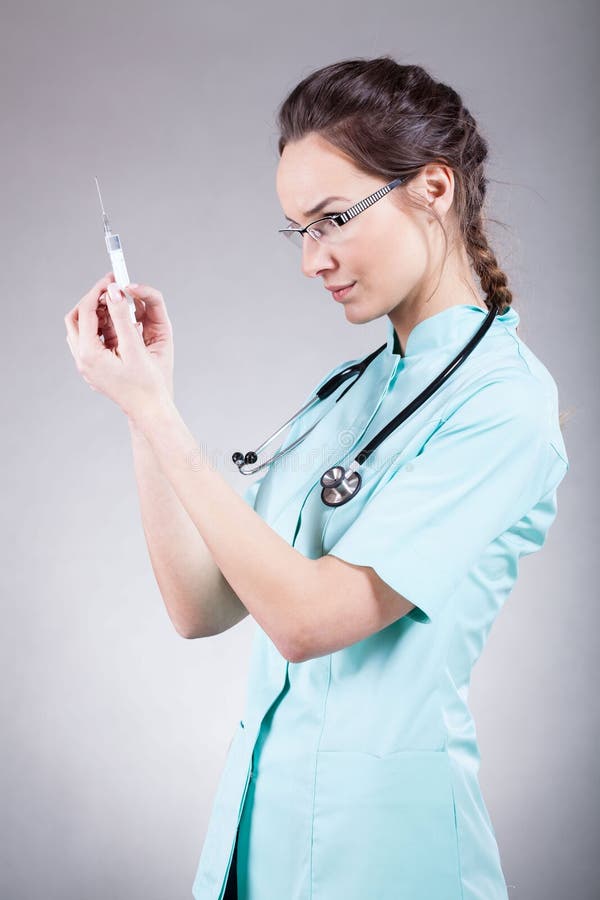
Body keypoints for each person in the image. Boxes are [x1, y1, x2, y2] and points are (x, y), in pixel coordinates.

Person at [65, 56, 569, 900]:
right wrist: (145, 405)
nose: (311, 260)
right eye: (299, 230)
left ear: (434, 189)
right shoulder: (353, 391)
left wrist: (161, 417)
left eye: (333, 219)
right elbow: (202, 607)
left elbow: (306, 621)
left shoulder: (504, 407)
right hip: (257, 844)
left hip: (386, 860)